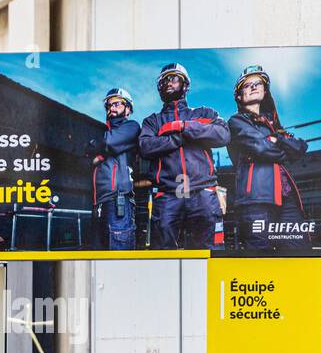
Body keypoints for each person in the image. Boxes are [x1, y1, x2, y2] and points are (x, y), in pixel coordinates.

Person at [138, 62, 229, 249]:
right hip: (168, 193)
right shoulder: (152, 121)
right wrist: (178, 139)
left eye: (173, 78)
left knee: (210, 252)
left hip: (203, 190)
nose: (167, 83)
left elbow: (224, 135)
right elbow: (145, 147)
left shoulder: (203, 113)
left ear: (185, 85)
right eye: (163, 81)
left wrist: (185, 126)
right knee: (162, 253)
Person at [225, 65, 310, 254]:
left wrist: (276, 138)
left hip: (285, 199)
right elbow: (262, 148)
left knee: (299, 253)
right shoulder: (236, 122)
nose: (254, 87)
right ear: (239, 96)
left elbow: (301, 147)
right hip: (255, 200)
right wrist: (283, 146)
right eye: (247, 85)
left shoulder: (274, 127)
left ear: (265, 90)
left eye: (258, 83)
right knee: (259, 257)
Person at [89, 87, 141, 249]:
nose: (111, 108)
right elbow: (92, 151)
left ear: (128, 109)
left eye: (117, 104)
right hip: (99, 202)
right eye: (109, 105)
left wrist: (97, 148)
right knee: (97, 256)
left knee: (118, 254)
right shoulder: (105, 132)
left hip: (119, 201)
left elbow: (107, 143)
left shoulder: (131, 127)